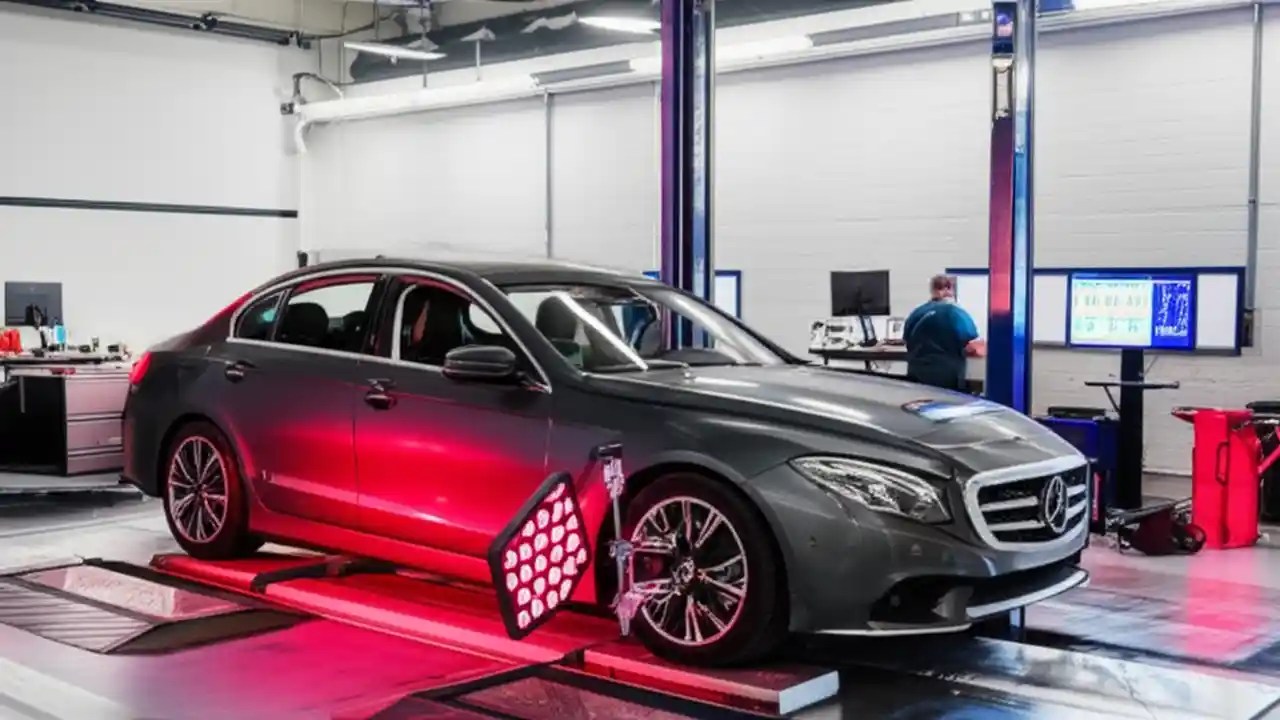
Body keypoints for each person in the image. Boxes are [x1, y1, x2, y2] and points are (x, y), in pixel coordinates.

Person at [903, 274, 986, 392]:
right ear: (949, 290)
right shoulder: (956, 314)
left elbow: (907, 341)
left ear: (932, 290)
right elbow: (975, 348)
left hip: (917, 377)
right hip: (947, 379)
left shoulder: (916, 313)